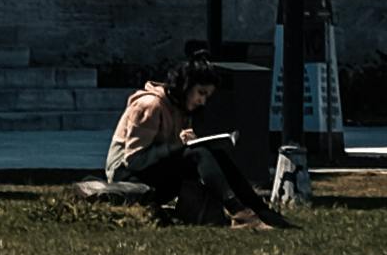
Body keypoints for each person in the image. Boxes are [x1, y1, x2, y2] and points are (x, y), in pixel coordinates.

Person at [103, 51, 271, 228]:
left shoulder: (181, 109)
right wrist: (177, 147)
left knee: (211, 154)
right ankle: (237, 211)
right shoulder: (150, 106)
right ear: (186, 86)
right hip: (127, 175)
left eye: (207, 96)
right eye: (201, 93)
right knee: (197, 154)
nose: (202, 101)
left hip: (154, 169)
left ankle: (250, 208)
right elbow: (134, 160)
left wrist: (188, 142)